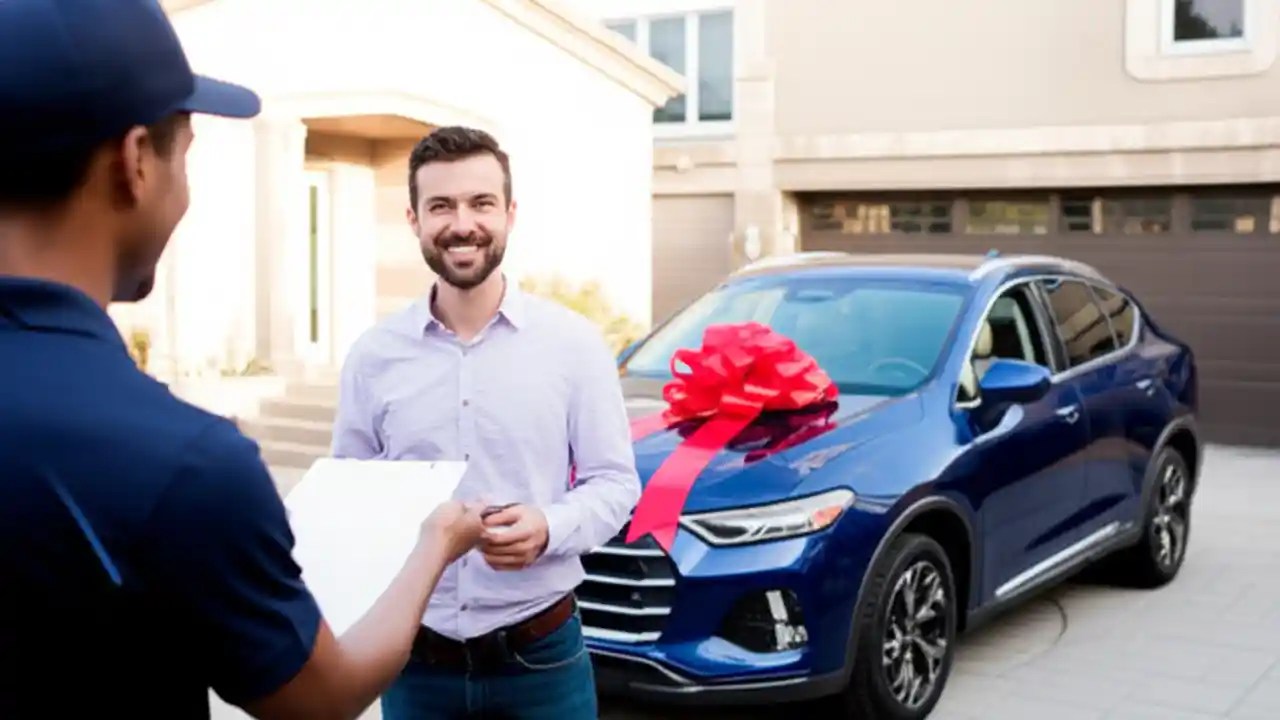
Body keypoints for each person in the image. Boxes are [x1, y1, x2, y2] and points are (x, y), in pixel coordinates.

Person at [0, 2, 485, 718]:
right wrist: (436, 545)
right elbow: (322, 699)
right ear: (135, 163)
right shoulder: (183, 463)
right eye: (185, 153)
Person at [330, 126, 641, 719]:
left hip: (541, 656)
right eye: (441, 206)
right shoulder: (374, 355)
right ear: (414, 219)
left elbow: (615, 484)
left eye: (481, 203)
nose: (462, 223)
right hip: (414, 661)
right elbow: (352, 495)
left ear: (509, 214)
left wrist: (549, 526)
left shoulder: (573, 345)